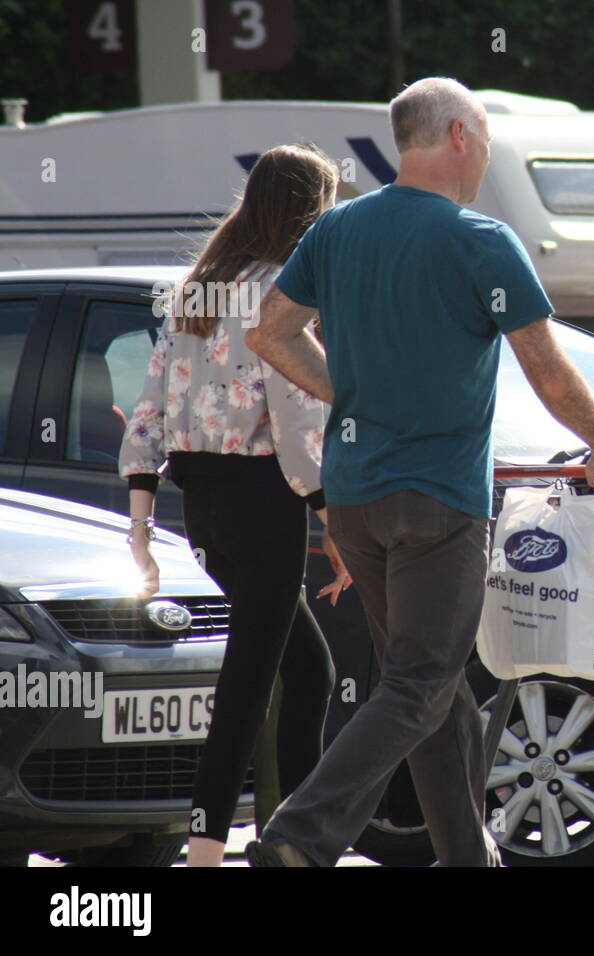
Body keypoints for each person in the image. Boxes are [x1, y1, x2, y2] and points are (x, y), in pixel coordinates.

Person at [243, 76, 594, 867]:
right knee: (420, 683)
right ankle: (299, 834)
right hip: (436, 501)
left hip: (355, 498)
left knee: (429, 687)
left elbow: (269, 333)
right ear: (459, 135)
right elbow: (546, 367)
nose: (487, 152)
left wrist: (350, 392)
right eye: (487, 137)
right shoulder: (479, 238)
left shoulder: (337, 231)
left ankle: (470, 855)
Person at [120, 143, 352, 867]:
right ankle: (207, 850)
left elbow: (149, 406)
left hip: (205, 510)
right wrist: (330, 517)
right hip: (264, 504)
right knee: (247, 687)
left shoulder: (202, 288)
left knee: (304, 670)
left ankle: (289, 838)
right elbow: (294, 418)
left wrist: (140, 518)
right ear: (309, 212)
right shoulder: (284, 290)